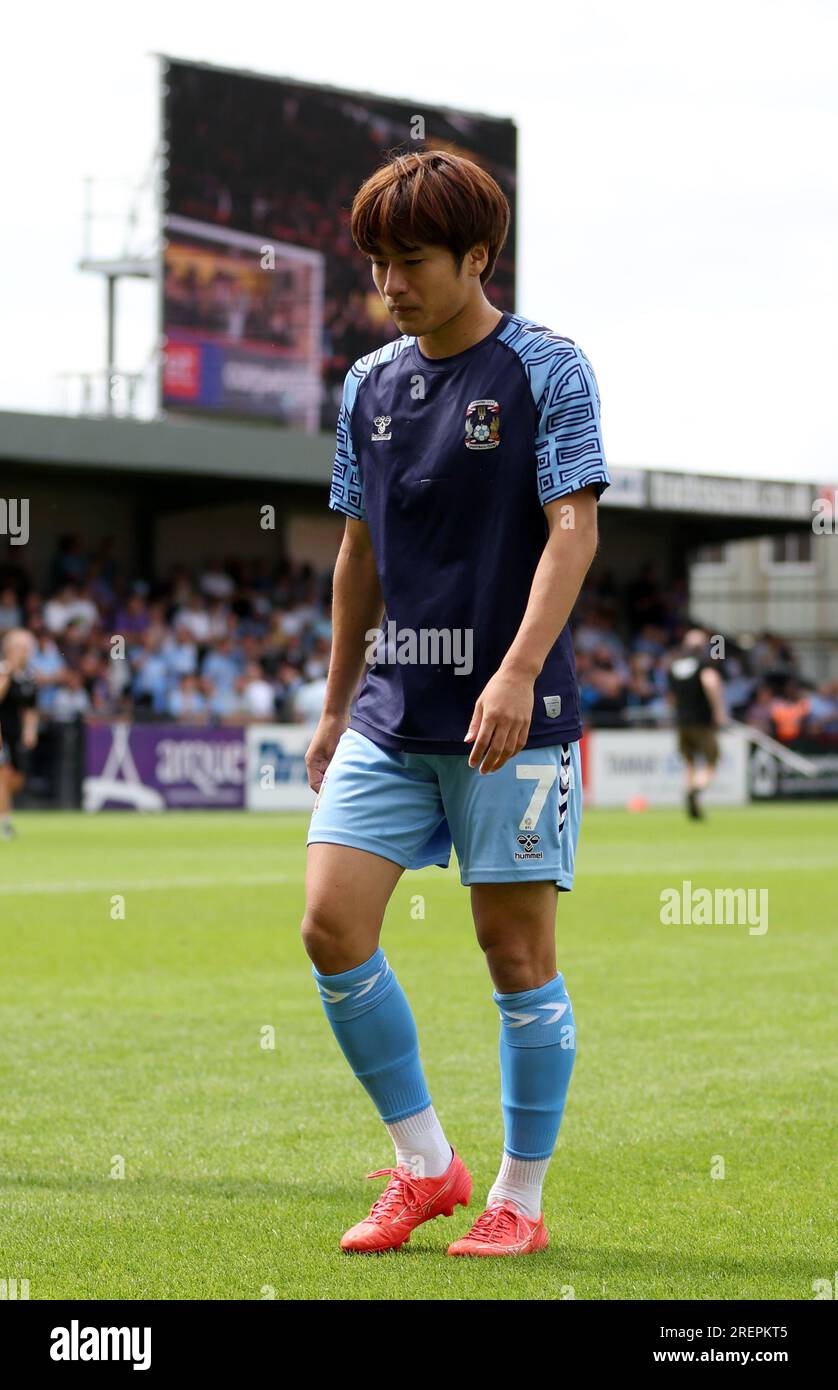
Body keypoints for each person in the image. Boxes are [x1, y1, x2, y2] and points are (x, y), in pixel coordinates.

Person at [301, 150, 610, 1257]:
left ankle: (518, 1200)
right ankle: (426, 1167)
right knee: (330, 927)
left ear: (479, 256)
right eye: (377, 263)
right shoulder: (365, 384)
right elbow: (355, 553)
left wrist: (520, 670)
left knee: (512, 954)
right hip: (390, 712)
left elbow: (572, 528)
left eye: (413, 261)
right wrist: (334, 706)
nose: (391, 283)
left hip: (513, 719)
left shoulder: (547, 368)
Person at [667, 628, 726, 819]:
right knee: (711, 761)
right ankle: (696, 789)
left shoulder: (674, 666)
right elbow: (711, 682)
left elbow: (671, 697)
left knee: (690, 763)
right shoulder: (704, 664)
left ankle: (692, 796)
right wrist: (718, 711)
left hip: (681, 721)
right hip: (701, 721)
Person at [0, 628, 39, 839]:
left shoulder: (28, 677)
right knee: (3, 777)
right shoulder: (3, 670)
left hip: (14, 734)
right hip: (1, 734)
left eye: (26, 648)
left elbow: (30, 708)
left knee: (16, 781)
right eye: (20, 648)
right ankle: (5, 825)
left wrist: (30, 732)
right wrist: (7, 672)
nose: (24, 652)